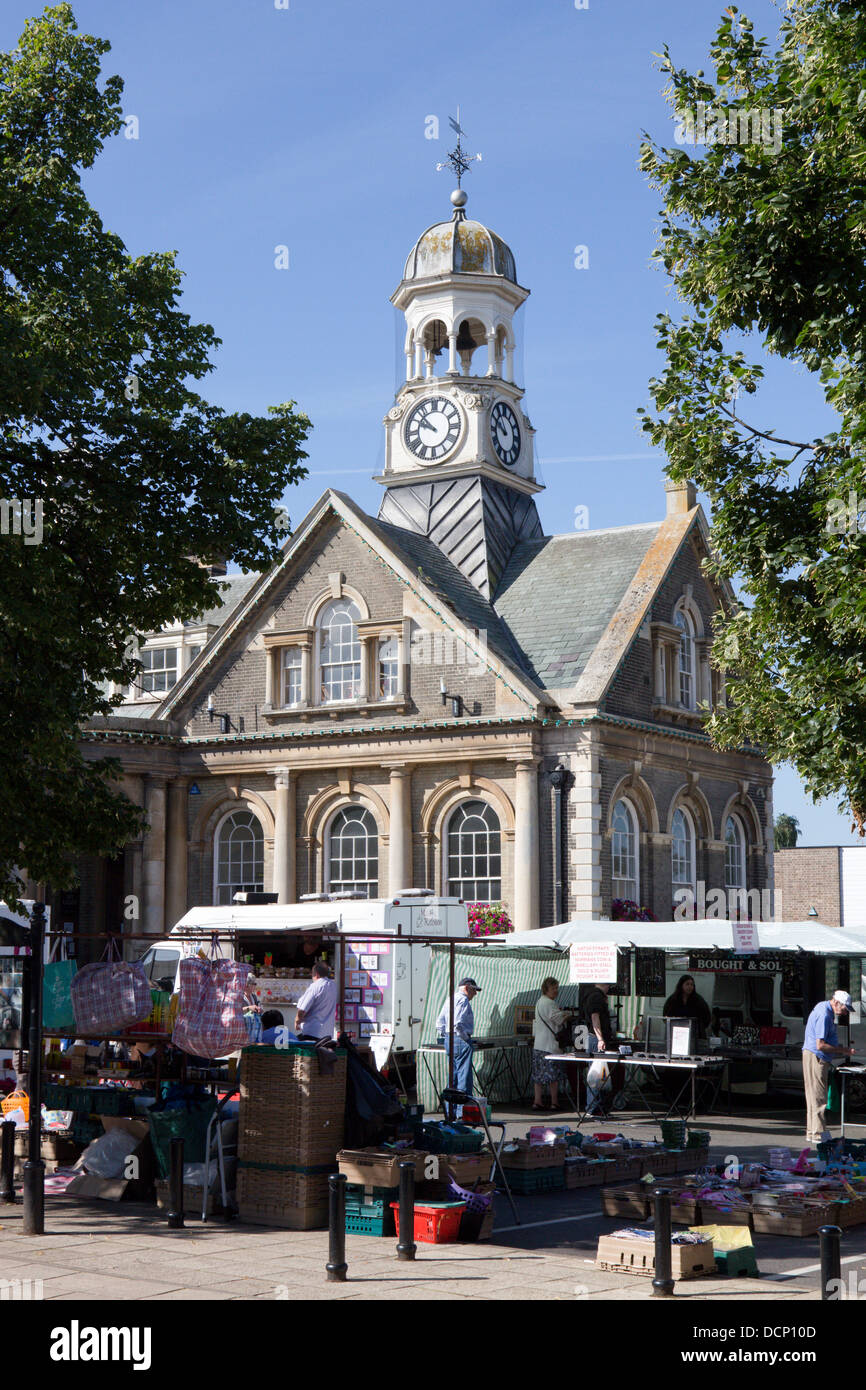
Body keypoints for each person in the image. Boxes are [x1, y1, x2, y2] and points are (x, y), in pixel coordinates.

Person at [803, 989, 855, 1145]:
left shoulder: (825, 1008)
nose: (845, 1012)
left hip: (814, 1056)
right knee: (818, 1097)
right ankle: (818, 1134)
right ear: (836, 1002)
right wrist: (842, 1050)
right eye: (845, 1009)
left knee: (814, 1096)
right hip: (816, 1057)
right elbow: (820, 1045)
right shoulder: (825, 1014)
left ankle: (813, 1132)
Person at [435, 977, 481, 1098]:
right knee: (463, 1077)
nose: (475, 993)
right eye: (474, 990)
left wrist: (446, 1035)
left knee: (453, 1077)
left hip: (449, 1038)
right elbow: (457, 1024)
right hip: (460, 1039)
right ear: (467, 988)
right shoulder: (463, 1000)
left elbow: (440, 1022)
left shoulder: (450, 998)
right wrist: (465, 1038)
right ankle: (462, 1112)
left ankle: (451, 1109)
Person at [532, 976, 570, 1111]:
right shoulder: (550, 1003)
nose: (556, 991)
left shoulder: (539, 1002)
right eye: (553, 988)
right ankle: (554, 1102)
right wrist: (567, 1014)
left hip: (539, 1044)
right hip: (550, 1045)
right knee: (553, 1076)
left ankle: (538, 1101)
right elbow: (558, 1020)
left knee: (538, 1076)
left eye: (556, 988)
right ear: (546, 989)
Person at [295, 962, 338, 1042]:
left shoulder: (315, 986)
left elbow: (302, 1009)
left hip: (312, 1032)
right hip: (327, 1035)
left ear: (316, 974)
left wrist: (297, 1021)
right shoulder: (333, 986)